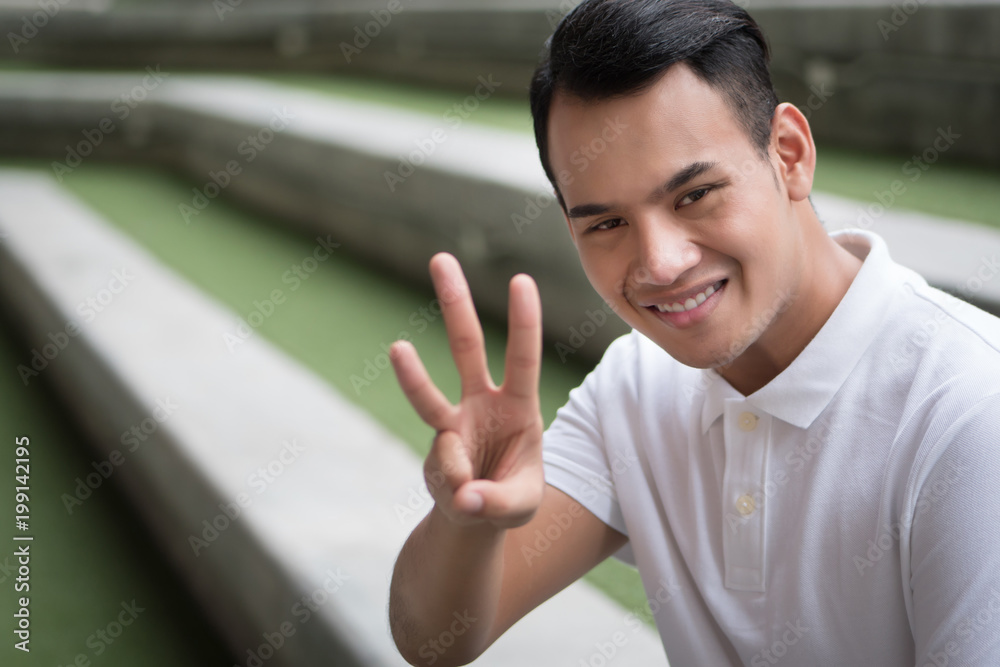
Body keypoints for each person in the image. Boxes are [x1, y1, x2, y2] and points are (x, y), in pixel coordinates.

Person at [386, 0, 1000, 665]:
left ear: (789, 154)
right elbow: (432, 639)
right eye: (606, 224)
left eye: (695, 194)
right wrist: (466, 519)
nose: (659, 262)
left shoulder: (970, 409)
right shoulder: (634, 386)